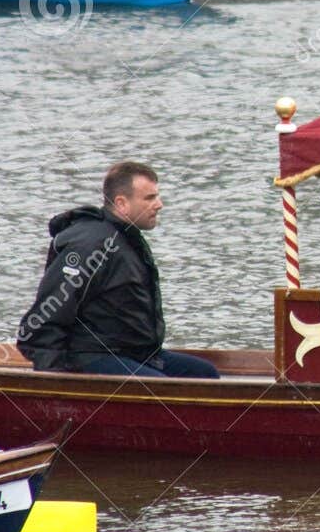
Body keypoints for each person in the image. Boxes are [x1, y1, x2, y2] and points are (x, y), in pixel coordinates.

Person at [16, 162, 220, 379]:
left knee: (204, 373)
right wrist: (54, 377)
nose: (159, 204)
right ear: (122, 203)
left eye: (157, 196)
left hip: (133, 353)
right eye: (149, 198)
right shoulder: (91, 245)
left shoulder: (127, 238)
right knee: (162, 389)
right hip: (89, 356)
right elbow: (45, 317)